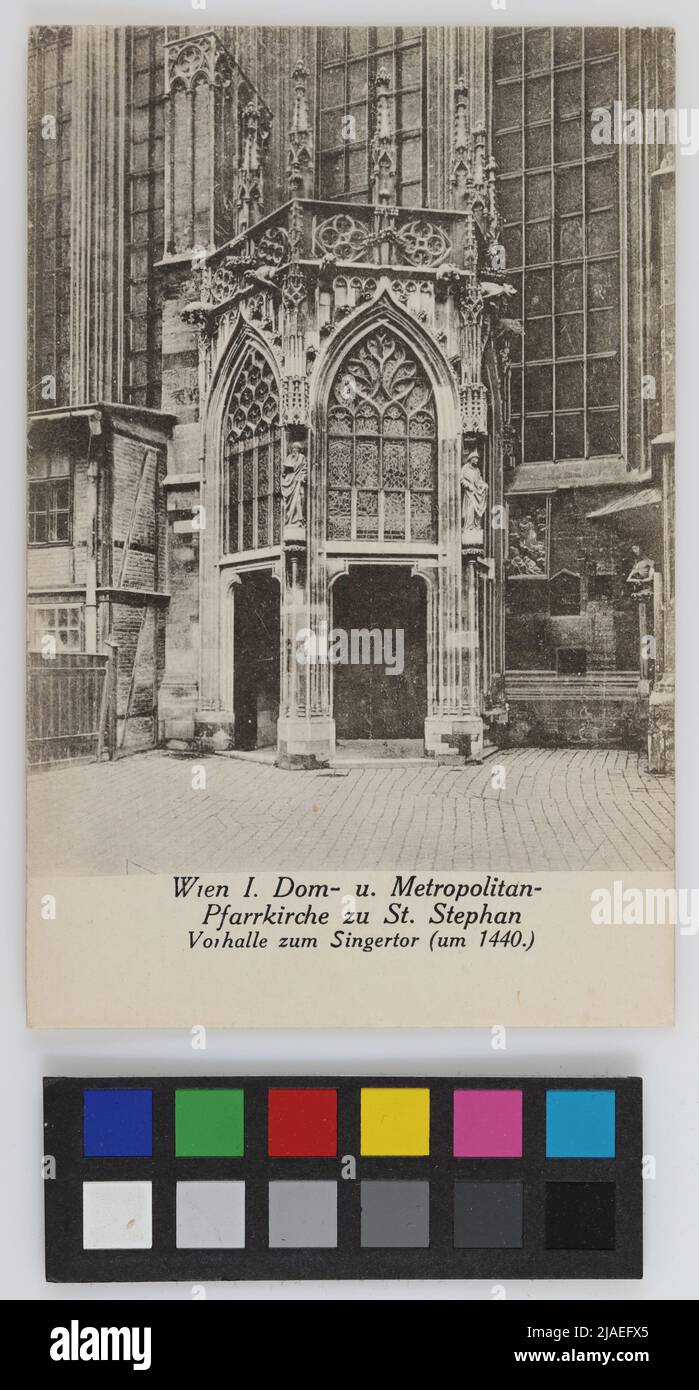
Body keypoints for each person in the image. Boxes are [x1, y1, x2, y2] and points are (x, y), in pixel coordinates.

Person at [281, 445, 307, 526]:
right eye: (293, 448)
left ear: (299, 450)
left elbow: (305, 469)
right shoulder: (289, 457)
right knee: (292, 500)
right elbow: (283, 469)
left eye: (296, 448)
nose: (294, 450)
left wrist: (302, 477)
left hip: (298, 481)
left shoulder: (301, 457)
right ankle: (291, 519)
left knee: (299, 498)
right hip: (289, 481)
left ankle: (299, 519)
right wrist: (284, 472)